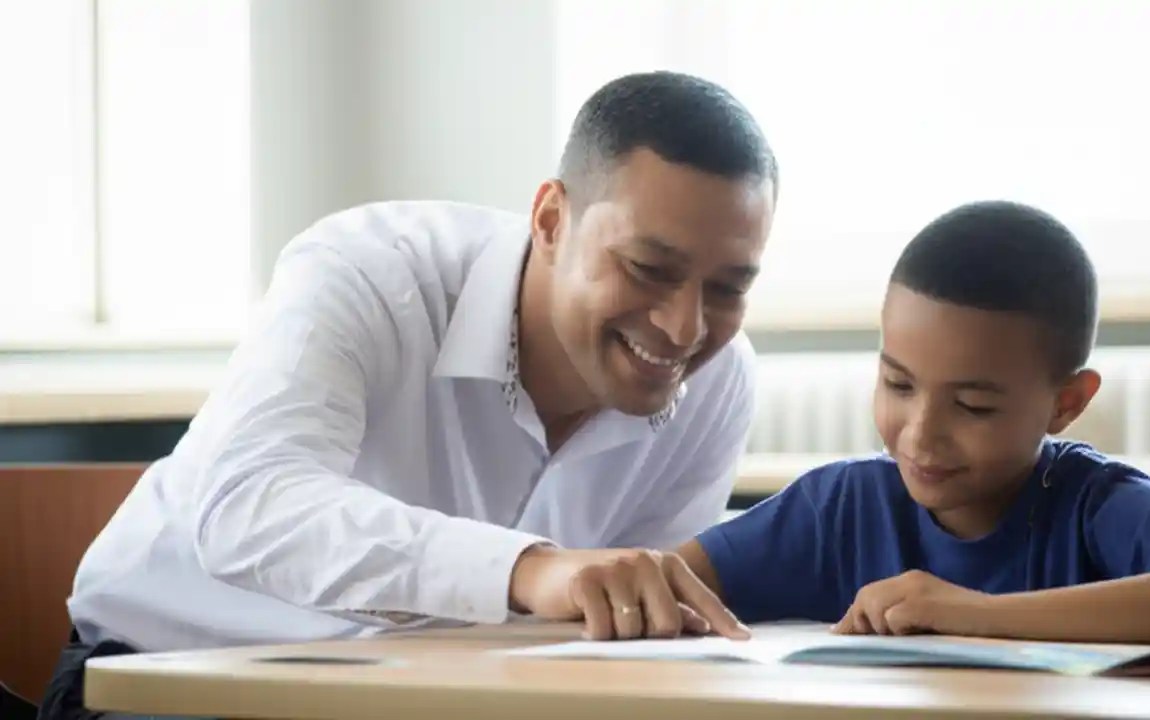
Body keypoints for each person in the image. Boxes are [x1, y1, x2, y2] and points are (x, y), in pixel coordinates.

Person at [41, 71, 773, 717]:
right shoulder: (368, 271)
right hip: (158, 679)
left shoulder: (720, 378)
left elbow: (622, 640)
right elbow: (250, 507)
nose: (685, 326)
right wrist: (529, 568)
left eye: (728, 288)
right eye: (648, 268)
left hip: (426, 700)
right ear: (551, 220)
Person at [553, 200, 1150, 644]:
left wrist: (976, 614)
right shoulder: (840, 509)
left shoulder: (1094, 505)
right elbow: (668, 585)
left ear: (1067, 403)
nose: (920, 434)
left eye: (973, 406)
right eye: (897, 383)